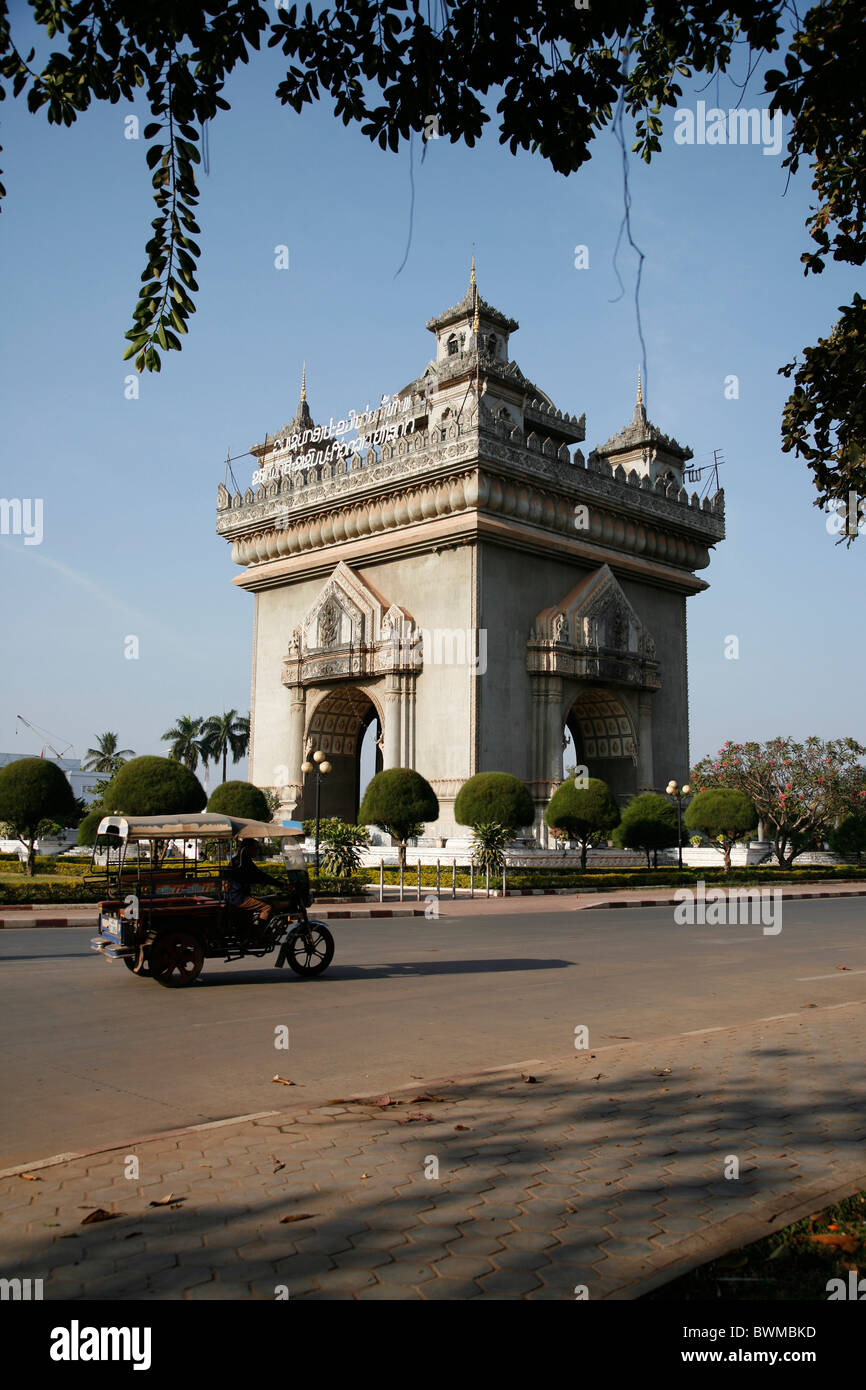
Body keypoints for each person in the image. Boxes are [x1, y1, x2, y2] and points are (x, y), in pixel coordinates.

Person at [223, 839, 282, 936]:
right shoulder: (243, 862)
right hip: (238, 897)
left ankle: (251, 930)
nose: (257, 851)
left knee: (263, 900)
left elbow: (253, 877)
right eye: (255, 848)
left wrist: (261, 881)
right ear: (246, 849)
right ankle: (259, 935)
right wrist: (280, 884)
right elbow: (260, 876)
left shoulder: (239, 860)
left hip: (235, 895)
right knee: (267, 907)